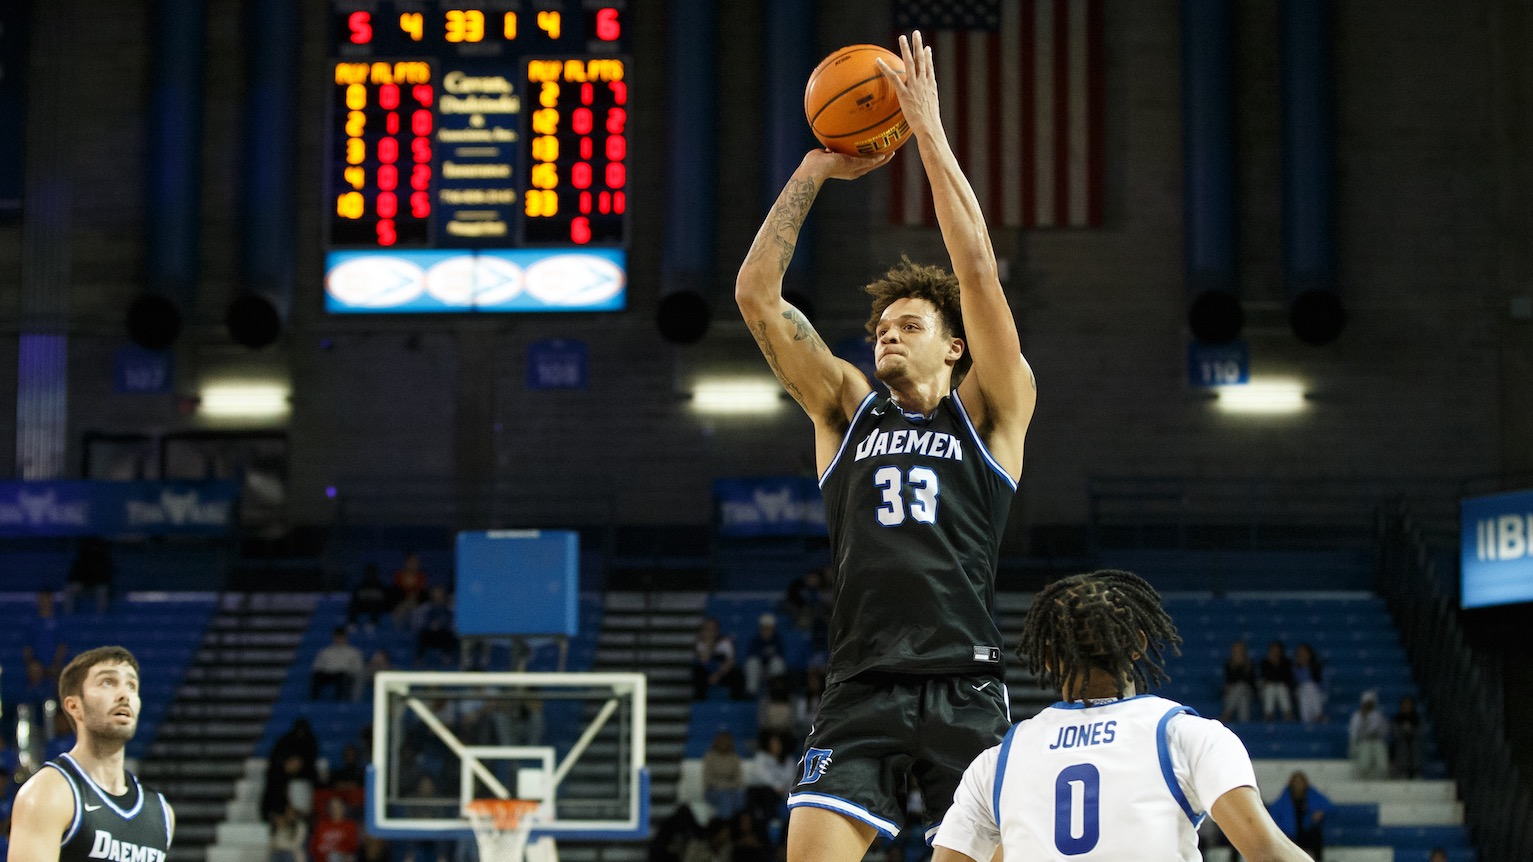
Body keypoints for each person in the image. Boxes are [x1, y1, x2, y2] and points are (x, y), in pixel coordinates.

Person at [735, 31, 1035, 858]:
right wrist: (812, 171)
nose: (886, 337)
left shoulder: (988, 414)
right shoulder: (844, 411)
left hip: (965, 685)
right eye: (879, 328)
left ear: (954, 348)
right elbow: (757, 299)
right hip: (858, 685)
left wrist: (926, 131)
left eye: (909, 326)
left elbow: (974, 268)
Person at [930, 569, 1316, 862]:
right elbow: (1267, 852)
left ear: (1046, 658)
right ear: (1137, 645)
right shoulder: (1185, 736)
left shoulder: (998, 762)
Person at [8, 645, 176, 861]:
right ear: (74, 706)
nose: (124, 694)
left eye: (132, 686)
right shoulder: (47, 793)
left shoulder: (161, 813)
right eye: (108, 682)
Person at [1268, 771, 1333, 860]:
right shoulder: (1285, 797)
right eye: (1296, 782)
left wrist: (1320, 812)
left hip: (1306, 833)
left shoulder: (1311, 794)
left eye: (1300, 782)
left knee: (1316, 834)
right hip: (1290, 835)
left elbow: (1329, 806)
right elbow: (1274, 815)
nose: (1298, 785)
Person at [691, 618, 745, 701]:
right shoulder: (699, 643)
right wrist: (709, 643)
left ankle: (736, 701)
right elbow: (704, 660)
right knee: (697, 671)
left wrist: (718, 674)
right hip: (707, 673)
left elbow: (730, 662)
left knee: (738, 674)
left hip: (722, 673)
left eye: (712, 629)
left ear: (717, 630)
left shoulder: (726, 642)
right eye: (707, 629)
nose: (709, 632)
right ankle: (700, 701)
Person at [311, 627, 365, 701]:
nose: (339, 639)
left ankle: (339, 702)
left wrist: (348, 671)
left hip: (344, 675)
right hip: (327, 674)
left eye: (341, 637)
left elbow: (357, 668)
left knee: (342, 677)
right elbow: (317, 666)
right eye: (337, 637)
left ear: (346, 638)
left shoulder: (354, 652)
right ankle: (313, 701)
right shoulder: (325, 651)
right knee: (316, 676)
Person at [702, 731, 745, 822]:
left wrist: (727, 786)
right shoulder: (709, 756)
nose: (724, 743)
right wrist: (723, 786)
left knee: (741, 797)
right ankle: (724, 826)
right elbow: (708, 780)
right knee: (726, 797)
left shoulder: (735, 758)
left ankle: (736, 827)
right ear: (716, 742)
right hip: (713, 791)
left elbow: (738, 780)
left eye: (726, 741)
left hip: (731, 790)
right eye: (721, 741)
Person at [64, 537, 113, 616]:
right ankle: (68, 617)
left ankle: (100, 618)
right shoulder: (81, 558)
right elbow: (73, 577)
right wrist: (84, 583)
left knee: (102, 590)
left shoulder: (103, 559)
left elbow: (104, 578)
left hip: (96, 586)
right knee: (70, 589)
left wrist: (93, 582)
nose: (94, 550)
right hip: (83, 586)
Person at [742, 613, 787, 698]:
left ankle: (776, 692)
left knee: (777, 663)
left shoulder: (778, 640)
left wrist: (765, 656)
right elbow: (752, 655)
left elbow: (780, 655)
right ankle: (751, 693)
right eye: (764, 628)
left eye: (769, 628)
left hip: (771, 668)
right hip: (759, 668)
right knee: (752, 663)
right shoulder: (755, 640)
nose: (766, 630)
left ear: (773, 629)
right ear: (760, 628)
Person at [1348, 690, 1389, 779]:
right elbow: (1354, 734)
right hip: (1363, 742)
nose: (1369, 705)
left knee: (1382, 766)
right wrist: (1353, 748)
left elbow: (1384, 731)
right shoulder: (1357, 716)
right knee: (1364, 765)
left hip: (1377, 741)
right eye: (1367, 703)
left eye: (1371, 703)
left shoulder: (1379, 715)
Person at [412, 586, 458, 666]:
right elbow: (416, 624)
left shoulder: (450, 608)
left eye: (440, 596)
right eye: (436, 596)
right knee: (423, 634)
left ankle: (446, 658)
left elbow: (455, 625)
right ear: (432, 596)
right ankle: (419, 659)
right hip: (430, 635)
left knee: (451, 635)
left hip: (444, 635)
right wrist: (429, 625)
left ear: (444, 596)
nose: (438, 598)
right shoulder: (425, 608)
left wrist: (442, 626)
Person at [309, 795, 360, 862]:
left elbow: (352, 846)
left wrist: (338, 849)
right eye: (332, 806)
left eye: (337, 807)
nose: (334, 810)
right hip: (321, 858)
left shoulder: (350, 825)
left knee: (335, 857)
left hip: (341, 856)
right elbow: (314, 846)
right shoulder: (321, 824)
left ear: (343, 808)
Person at [1259, 640, 1296, 722]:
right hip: (1267, 690)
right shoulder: (1265, 663)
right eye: (1273, 650)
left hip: (1283, 689)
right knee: (1271, 687)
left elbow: (1286, 678)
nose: (1275, 653)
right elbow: (1265, 678)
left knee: (1281, 687)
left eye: (1277, 650)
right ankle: (1268, 714)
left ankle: (1287, 714)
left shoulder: (1286, 663)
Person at [347, 564, 391, 632]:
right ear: (366, 574)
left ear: (376, 574)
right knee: (353, 604)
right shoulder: (360, 586)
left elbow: (385, 601)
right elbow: (354, 598)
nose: (371, 575)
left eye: (372, 573)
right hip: (363, 605)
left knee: (378, 605)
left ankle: (372, 623)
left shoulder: (381, 586)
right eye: (369, 573)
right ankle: (352, 623)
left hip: (375, 607)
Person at [1221, 640, 1256, 724]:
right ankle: (1244, 722)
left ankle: (1227, 713)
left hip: (1248, 691)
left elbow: (1250, 682)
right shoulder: (1229, 664)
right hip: (1233, 693)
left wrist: (1243, 667)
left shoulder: (1250, 664)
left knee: (1242, 686)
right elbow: (1229, 682)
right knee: (1242, 698)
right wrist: (1235, 666)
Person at [1390, 694, 1425, 778]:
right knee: (1402, 744)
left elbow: (1422, 730)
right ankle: (1403, 771)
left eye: (1408, 705)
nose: (1406, 706)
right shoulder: (1397, 718)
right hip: (1401, 741)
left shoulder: (1417, 718)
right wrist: (1402, 731)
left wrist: (1412, 731)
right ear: (1401, 706)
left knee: (1416, 743)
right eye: (1404, 704)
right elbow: (1393, 732)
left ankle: (1417, 771)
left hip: (1415, 740)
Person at [1292, 643, 1326, 725]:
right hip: (1300, 692)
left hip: (1318, 693)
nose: (1303, 655)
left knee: (1310, 687)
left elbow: (1324, 684)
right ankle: (1318, 715)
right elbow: (1295, 683)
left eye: (1305, 653)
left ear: (1310, 654)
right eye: (1300, 654)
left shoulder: (1317, 667)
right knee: (1307, 687)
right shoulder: (1294, 668)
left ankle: (1307, 720)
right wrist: (1301, 667)